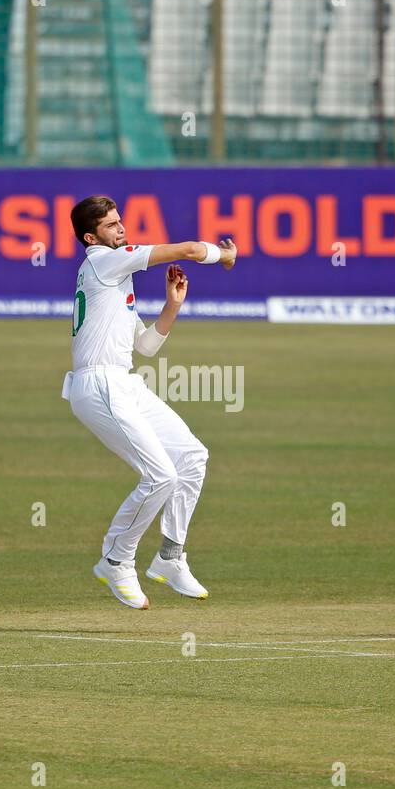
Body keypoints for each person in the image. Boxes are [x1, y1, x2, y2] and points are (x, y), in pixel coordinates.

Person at [62, 195, 237, 609]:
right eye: (111, 225)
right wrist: (225, 255)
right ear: (91, 237)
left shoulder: (114, 277)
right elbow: (191, 250)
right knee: (160, 477)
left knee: (192, 457)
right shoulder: (106, 262)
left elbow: (145, 346)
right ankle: (115, 560)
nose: (121, 230)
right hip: (99, 385)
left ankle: (170, 558)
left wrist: (172, 307)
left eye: (121, 222)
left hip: (123, 382)